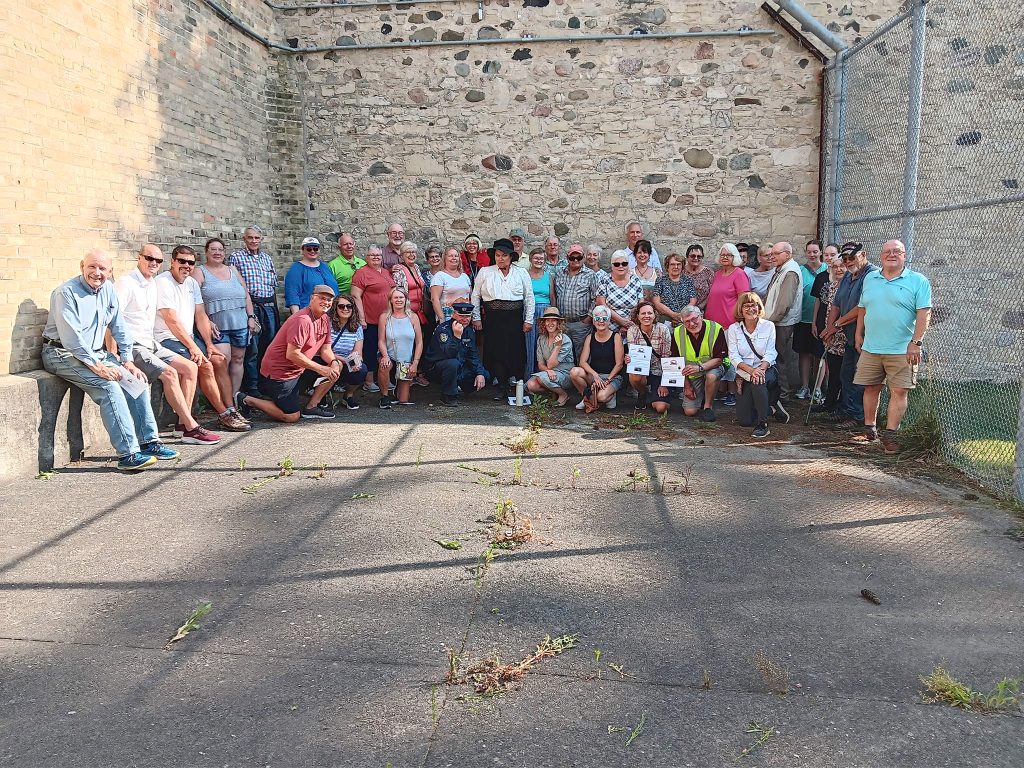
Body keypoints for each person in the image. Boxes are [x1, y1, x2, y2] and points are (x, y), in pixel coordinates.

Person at [41, 250, 178, 471]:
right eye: (92, 267)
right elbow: (72, 339)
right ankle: (128, 455)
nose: (97, 273)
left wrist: (127, 361)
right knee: (108, 387)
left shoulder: (108, 291)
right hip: (61, 353)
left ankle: (149, 442)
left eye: (102, 268)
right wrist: (98, 367)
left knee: (136, 381)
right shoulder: (65, 293)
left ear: (110, 271)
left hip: (95, 352)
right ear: (81, 266)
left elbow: (120, 328)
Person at [116, 245, 220, 445]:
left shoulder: (152, 283)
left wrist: (207, 343)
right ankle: (192, 426)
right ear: (139, 258)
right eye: (149, 258)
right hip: (134, 345)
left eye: (157, 260)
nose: (153, 263)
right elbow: (113, 319)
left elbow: (199, 314)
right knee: (171, 373)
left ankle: (183, 426)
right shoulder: (127, 282)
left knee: (191, 368)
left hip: (150, 343)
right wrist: (117, 354)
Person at [154, 245, 249, 432]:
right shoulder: (163, 282)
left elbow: (201, 315)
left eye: (190, 262)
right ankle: (223, 414)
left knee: (219, 360)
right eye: (182, 261)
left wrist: (208, 344)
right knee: (204, 364)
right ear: (172, 261)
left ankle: (231, 408)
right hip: (166, 339)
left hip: (187, 338)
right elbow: (171, 320)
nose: (186, 266)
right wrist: (194, 347)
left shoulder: (191, 283)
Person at [855, 240, 932, 453]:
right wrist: (858, 334)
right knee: (871, 388)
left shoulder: (918, 281)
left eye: (896, 251)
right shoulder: (870, 278)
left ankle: (890, 435)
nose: (891, 255)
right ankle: (869, 430)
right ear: (880, 256)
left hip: (902, 349)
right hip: (871, 346)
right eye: (887, 252)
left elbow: (924, 313)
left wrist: (916, 343)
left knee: (899, 390)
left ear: (904, 255)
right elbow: (862, 308)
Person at [236, 285, 339, 422]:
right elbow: (292, 354)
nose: (326, 302)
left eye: (329, 300)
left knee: (337, 366)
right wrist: (322, 369)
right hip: (280, 373)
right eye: (322, 298)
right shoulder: (302, 320)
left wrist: (334, 363)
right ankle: (247, 400)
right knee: (291, 416)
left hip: (300, 368)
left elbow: (326, 349)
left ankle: (311, 407)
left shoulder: (325, 318)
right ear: (312, 298)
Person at [194, 237, 258, 411]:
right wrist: (206, 320)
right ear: (206, 252)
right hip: (217, 326)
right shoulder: (200, 272)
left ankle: (233, 398)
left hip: (240, 323)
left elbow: (246, 295)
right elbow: (193, 299)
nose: (217, 253)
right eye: (213, 249)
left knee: (238, 360)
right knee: (223, 361)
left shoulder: (233, 270)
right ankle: (221, 402)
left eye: (220, 250)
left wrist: (251, 317)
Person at [820, 241, 877, 430]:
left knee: (860, 377)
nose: (848, 261)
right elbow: (836, 304)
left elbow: (861, 307)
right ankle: (846, 410)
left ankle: (858, 416)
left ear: (863, 255)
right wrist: (829, 329)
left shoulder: (872, 275)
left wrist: (836, 325)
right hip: (850, 336)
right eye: (844, 258)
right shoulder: (848, 276)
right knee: (846, 375)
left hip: (867, 335)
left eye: (852, 257)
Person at [471, 238, 535, 400]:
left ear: (511, 257)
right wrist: (476, 318)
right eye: (498, 255)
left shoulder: (521, 272)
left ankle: (517, 386)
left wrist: (528, 320)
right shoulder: (485, 272)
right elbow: (475, 295)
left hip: (514, 319)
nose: (501, 258)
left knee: (515, 352)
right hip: (493, 319)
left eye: (504, 255)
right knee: (496, 352)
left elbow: (529, 297)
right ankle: (501, 386)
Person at [228, 226, 279, 398]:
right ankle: (253, 386)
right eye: (250, 238)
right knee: (253, 349)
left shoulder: (267, 259)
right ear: (244, 239)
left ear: (261, 239)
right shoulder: (236, 257)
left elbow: (272, 286)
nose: (254, 241)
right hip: (251, 306)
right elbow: (235, 286)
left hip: (269, 306)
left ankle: (268, 383)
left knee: (270, 346)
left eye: (257, 238)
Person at [727, 292, 784, 439]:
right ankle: (770, 408)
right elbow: (733, 356)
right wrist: (751, 371)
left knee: (758, 382)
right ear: (740, 309)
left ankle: (763, 424)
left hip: (767, 369)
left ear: (759, 308)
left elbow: (771, 352)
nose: (750, 309)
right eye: (746, 306)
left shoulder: (769, 326)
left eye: (754, 305)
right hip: (746, 371)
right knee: (744, 421)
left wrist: (760, 369)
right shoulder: (733, 329)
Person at [306, 295, 369, 413]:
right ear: (335, 308)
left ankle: (348, 395)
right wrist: (342, 360)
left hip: (346, 361)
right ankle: (320, 395)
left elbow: (358, 351)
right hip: (325, 358)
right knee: (334, 364)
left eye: (349, 306)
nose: (345, 309)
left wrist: (356, 362)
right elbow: (321, 349)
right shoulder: (327, 323)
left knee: (362, 370)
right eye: (341, 306)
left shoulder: (357, 327)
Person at [424, 302, 489, 407]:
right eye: (461, 315)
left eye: (468, 316)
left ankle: (458, 387)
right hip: (438, 368)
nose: (465, 319)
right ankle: (448, 396)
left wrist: (479, 373)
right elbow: (449, 353)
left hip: (459, 367)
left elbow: (473, 354)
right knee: (453, 363)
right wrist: (457, 337)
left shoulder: (468, 330)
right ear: (453, 314)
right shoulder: (443, 330)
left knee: (484, 375)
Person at [350, 244, 396, 393]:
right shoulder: (362, 273)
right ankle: (369, 381)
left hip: (387, 319)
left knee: (385, 350)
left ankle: (384, 378)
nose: (376, 257)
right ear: (366, 257)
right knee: (369, 350)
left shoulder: (385, 272)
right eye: (372, 255)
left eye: (378, 255)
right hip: (370, 319)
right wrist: (361, 318)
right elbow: (356, 295)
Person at [672, 305, 729, 422]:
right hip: (691, 374)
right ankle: (702, 395)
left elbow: (719, 359)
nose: (692, 324)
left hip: (712, 367)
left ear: (701, 316)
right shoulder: (677, 332)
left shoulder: (715, 328)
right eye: (687, 322)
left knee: (711, 375)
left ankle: (708, 407)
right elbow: (675, 362)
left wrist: (699, 368)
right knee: (690, 412)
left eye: (694, 319)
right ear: (682, 322)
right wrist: (686, 386)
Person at [763, 241, 803, 402]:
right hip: (775, 320)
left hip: (781, 323)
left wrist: (770, 321)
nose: (772, 257)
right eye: (771, 254)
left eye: (776, 254)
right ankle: (779, 393)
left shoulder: (790, 272)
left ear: (788, 254)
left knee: (779, 357)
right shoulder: (781, 270)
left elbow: (784, 303)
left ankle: (783, 394)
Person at [810, 252, 847, 414]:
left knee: (843, 374)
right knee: (833, 371)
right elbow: (828, 311)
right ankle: (829, 403)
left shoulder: (850, 286)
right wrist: (827, 330)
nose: (838, 269)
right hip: (830, 333)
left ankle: (841, 405)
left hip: (844, 335)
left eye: (842, 266)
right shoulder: (832, 286)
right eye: (835, 267)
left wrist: (833, 328)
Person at [570, 305, 624, 412]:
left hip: (612, 376)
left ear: (609, 321)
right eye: (597, 319)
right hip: (595, 376)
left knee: (602, 397)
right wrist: (595, 375)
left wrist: (608, 380)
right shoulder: (590, 337)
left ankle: (607, 395)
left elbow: (619, 364)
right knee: (574, 372)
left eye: (604, 319)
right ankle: (587, 397)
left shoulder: (616, 337)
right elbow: (583, 362)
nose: (601, 322)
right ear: (594, 322)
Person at [377, 287, 423, 408]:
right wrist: (385, 356)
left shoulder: (413, 317)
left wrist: (415, 363)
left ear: (406, 299)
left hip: (406, 360)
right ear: (391, 300)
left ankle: (397, 390)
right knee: (385, 365)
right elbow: (381, 340)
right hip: (390, 355)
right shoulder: (384, 317)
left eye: (401, 297)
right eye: (396, 297)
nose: (399, 300)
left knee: (403, 400)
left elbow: (419, 342)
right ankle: (384, 396)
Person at [624, 301, 674, 414]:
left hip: (659, 371)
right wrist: (629, 359)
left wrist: (664, 384)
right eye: (643, 313)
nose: (646, 316)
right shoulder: (633, 330)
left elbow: (667, 357)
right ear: (637, 316)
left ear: (655, 315)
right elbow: (634, 356)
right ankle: (643, 393)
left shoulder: (663, 329)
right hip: (643, 371)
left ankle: (654, 396)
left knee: (661, 408)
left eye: (650, 313)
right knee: (634, 374)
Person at [794, 239, 828, 400]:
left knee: (820, 354)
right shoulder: (800, 270)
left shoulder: (828, 269)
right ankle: (804, 386)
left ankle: (818, 388)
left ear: (820, 252)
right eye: (809, 252)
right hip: (803, 317)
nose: (812, 255)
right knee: (804, 354)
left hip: (822, 320)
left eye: (815, 251)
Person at [554, 245, 599, 364]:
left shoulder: (590, 275)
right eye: (572, 257)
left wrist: (588, 318)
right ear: (567, 257)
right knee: (563, 354)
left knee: (582, 356)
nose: (575, 260)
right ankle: (566, 381)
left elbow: (596, 298)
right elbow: (555, 295)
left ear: (583, 258)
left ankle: (582, 381)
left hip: (581, 323)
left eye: (578, 257)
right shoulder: (559, 273)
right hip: (563, 323)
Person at [526, 307, 574, 407]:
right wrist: (548, 371)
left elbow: (552, 364)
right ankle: (553, 391)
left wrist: (557, 346)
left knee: (542, 378)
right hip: (549, 372)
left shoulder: (565, 339)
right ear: (544, 323)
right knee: (531, 385)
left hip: (564, 373)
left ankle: (563, 395)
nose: (550, 323)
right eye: (547, 320)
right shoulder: (541, 338)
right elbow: (540, 364)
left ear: (558, 323)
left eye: (553, 321)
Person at [285, 237, 339, 315]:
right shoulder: (296, 269)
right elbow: (292, 294)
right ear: (303, 250)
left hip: (330, 313)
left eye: (315, 249)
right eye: (309, 249)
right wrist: (297, 317)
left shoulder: (325, 267)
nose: (312, 251)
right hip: (309, 314)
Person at [525, 247, 555, 379]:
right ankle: (529, 376)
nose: (539, 261)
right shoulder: (524, 274)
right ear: (531, 259)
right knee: (529, 344)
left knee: (543, 344)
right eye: (536, 258)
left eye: (542, 258)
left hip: (545, 313)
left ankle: (543, 377)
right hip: (529, 312)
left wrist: (553, 315)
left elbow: (552, 296)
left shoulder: (549, 276)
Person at [596, 250, 644, 333]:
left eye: (624, 264)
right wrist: (621, 321)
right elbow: (601, 304)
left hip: (632, 325)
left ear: (628, 265)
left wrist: (629, 323)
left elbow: (641, 304)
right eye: (617, 264)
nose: (620, 266)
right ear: (612, 265)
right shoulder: (604, 280)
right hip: (610, 327)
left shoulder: (635, 280)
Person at [705, 243, 751, 329]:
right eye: (722, 255)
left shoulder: (739, 274)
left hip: (730, 324)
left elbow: (744, 300)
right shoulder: (717, 274)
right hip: (712, 324)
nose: (725, 257)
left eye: (729, 255)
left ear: (735, 257)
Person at [651, 252, 698, 325]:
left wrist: (682, 315)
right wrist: (673, 314)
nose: (676, 267)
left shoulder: (688, 280)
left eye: (678, 264)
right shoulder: (660, 280)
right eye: (672, 264)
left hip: (685, 319)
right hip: (666, 320)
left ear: (682, 266)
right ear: (667, 266)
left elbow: (693, 300)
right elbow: (656, 302)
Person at [431, 247, 472, 323]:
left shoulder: (464, 276)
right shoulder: (439, 276)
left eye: (456, 256)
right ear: (445, 259)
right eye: (450, 256)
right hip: (448, 318)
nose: (454, 258)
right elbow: (435, 299)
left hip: (465, 318)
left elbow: (470, 296)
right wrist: (441, 318)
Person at [683, 244, 715, 310]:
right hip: (682, 310)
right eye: (692, 256)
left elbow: (712, 292)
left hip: (703, 309)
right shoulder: (681, 272)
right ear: (687, 257)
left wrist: (701, 306)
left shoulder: (708, 272)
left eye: (699, 256)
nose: (696, 258)